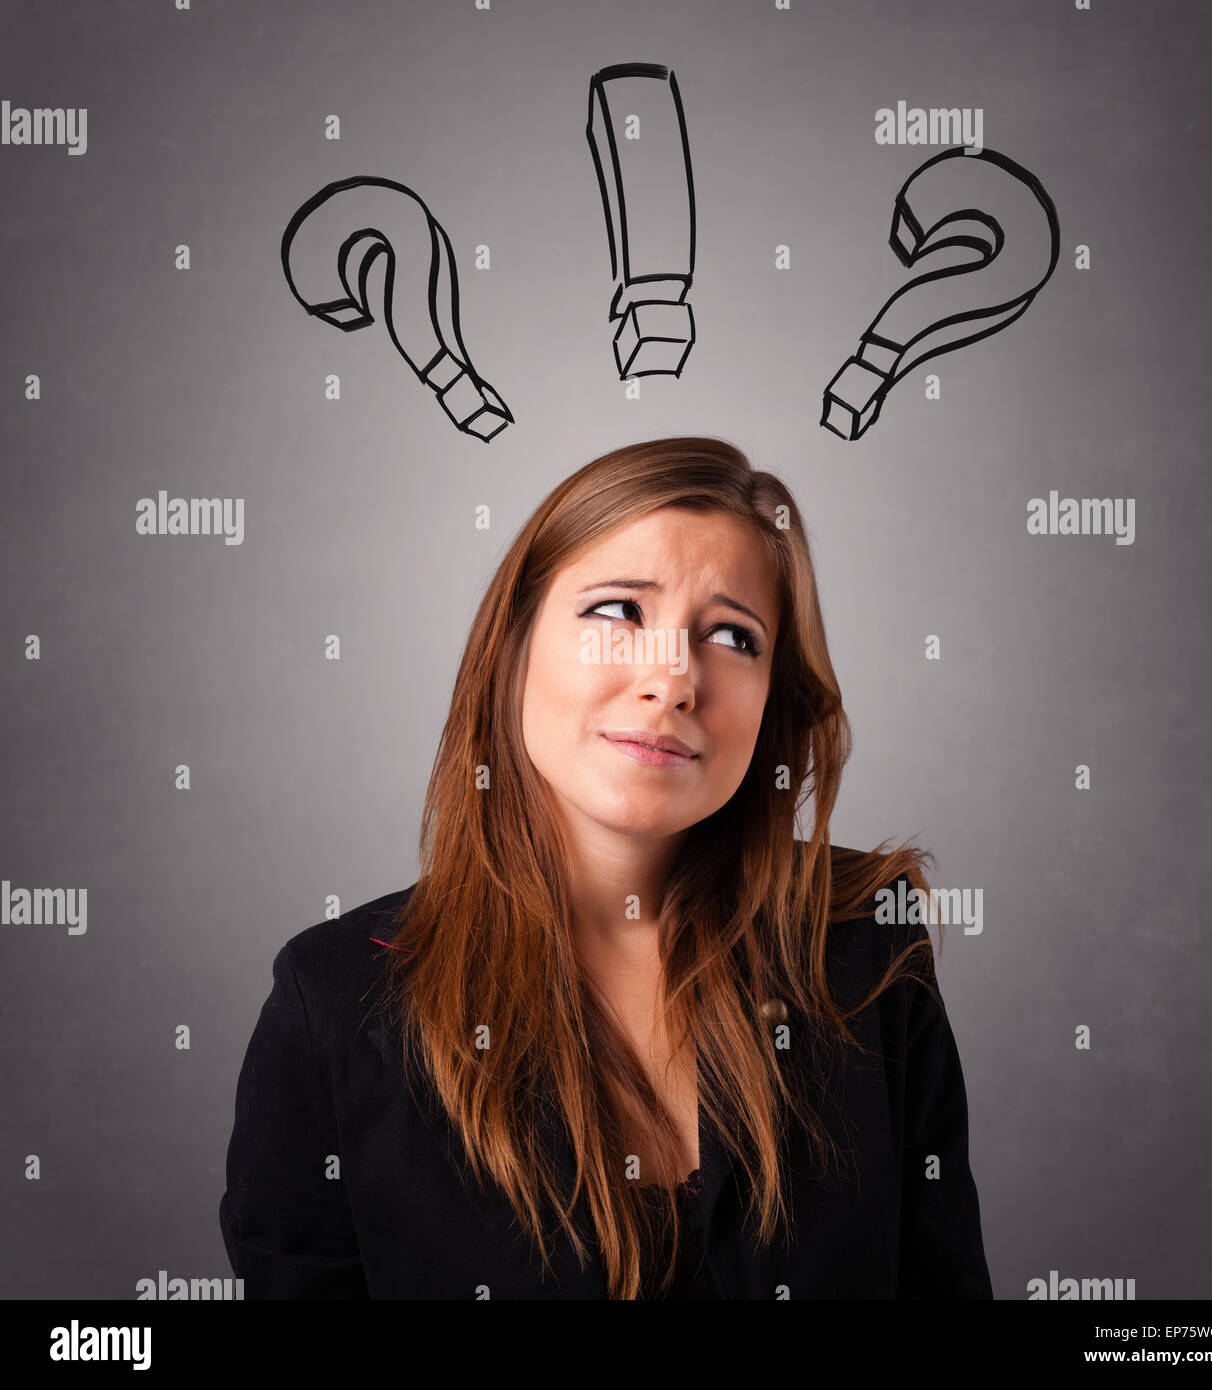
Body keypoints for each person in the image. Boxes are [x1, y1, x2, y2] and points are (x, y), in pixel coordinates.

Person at [218, 435, 992, 1300]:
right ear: (512, 647)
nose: (673, 681)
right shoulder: (330, 1007)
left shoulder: (863, 949)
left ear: (774, 699)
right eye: (620, 612)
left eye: (733, 635)